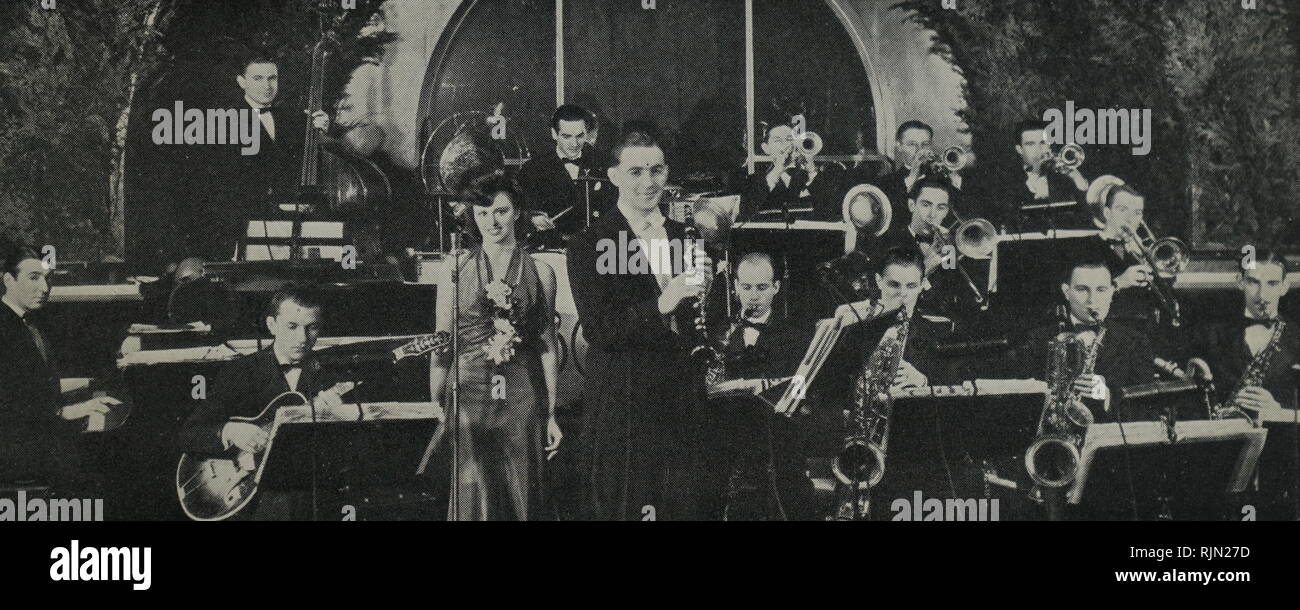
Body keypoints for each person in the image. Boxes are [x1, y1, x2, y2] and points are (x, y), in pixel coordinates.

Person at [567, 130, 713, 520]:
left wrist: (707, 296)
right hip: (624, 399)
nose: (649, 182)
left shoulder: (686, 235)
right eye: (636, 172)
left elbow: (697, 324)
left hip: (681, 396)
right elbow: (599, 330)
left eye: (656, 170)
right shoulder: (588, 242)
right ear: (613, 176)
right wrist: (663, 302)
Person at [427, 171, 562, 521]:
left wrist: (551, 412)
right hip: (469, 390)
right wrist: (435, 398)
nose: (491, 221)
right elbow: (443, 339)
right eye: (482, 212)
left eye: (501, 211)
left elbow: (547, 345)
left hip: (522, 393)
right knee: (474, 495)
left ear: (517, 212)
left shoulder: (542, 272)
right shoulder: (454, 269)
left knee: (524, 491)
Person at [178, 283, 354, 519]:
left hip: (310, 492)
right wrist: (231, 431)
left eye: (311, 328)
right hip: (256, 498)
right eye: (292, 327)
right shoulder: (241, 371)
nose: (302, 338)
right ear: (272, 325)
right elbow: (190, 434)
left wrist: (338, 416)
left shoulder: (331, 374)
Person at [0, 243, 124, 493]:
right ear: (8, 280)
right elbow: (11, 409)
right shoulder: (5, 329)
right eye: (33, 278)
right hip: (14, 450)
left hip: (28, 437)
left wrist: (93, 383)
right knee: (106, 463)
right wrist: (68, 412)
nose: (44, 288)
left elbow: (39, 384)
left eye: (47, 278)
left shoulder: (24, 322)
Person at [700, 252, 815, 520]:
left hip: (776, 448)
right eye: (746, 287)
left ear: (776, 288)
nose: (753, 296)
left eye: (762, 287)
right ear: (735, 287)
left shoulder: (798, 337)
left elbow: (802, 395)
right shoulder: (717, 332)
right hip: (727, 447)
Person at [189, 53, 333, 261]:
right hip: (242, 224)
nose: (267, 86)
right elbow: (219, 182)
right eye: (258, 79)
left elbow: (311, 163)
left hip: (288, 223)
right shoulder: (223, 121)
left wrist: (322, 132)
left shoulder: (296, 119)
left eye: (272, 78)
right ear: (242, 82)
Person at [1186, 249, 1297, 520]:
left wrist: (1278, 411)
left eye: (1272, 284)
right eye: (1253, 282)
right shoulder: (1209, 334)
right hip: (1223, 458)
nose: (1263, 295)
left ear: (1285, 286)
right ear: (1239, 282)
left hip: (1284, 461)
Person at [516, 104, 612, 247]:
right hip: (554, 249)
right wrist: (532, 218)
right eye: (566, 137)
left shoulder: (604, 164)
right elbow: (518, 213)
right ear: (554, 134)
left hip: (598, 249)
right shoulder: (532, 169)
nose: (574, 144)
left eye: (580, 136)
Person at [740, 122, 839, 221]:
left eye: (789, 139)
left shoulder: (809, 176)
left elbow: (831, 210)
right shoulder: (753, 180)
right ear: (766, 148)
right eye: (778, 141)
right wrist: (778, 170)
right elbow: (747, 212)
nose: (785, 145)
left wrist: (811, 169)